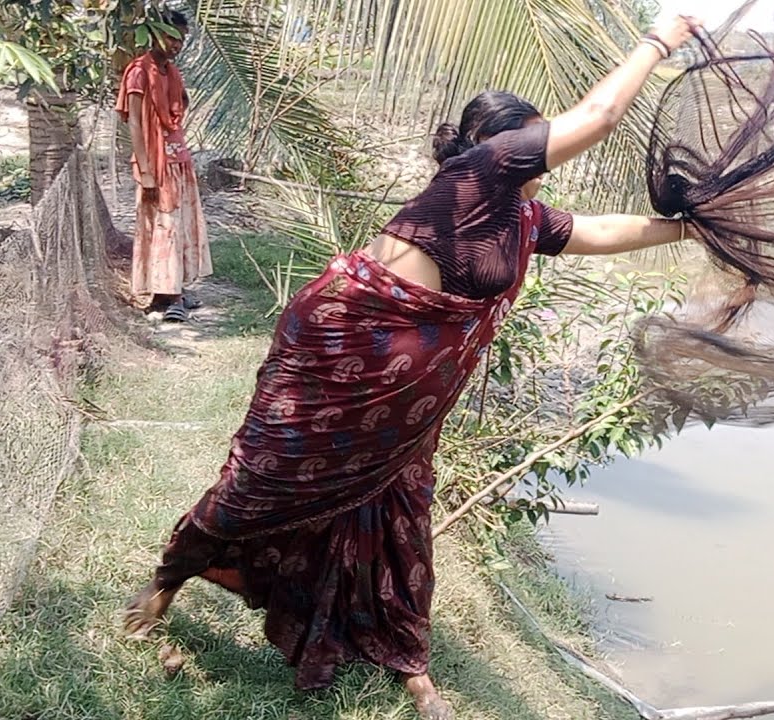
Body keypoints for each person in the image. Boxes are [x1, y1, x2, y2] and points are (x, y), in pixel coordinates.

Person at [122, 16, 698, 719]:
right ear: (498, 146)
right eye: (529, 144)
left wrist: (690, 228)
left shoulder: (520, 216)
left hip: (407, 405)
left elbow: (601, 231)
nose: (536, 159)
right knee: (260, 484)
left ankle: (409, 660)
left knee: (400, 510)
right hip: (332, 365)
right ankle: (166, 583)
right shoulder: (475, 177)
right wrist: (659, 42)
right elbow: (602, 114)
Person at [115, 10, 211, 323]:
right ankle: (170, 297)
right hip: (156, 165)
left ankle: (171, 289)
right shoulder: (139, 72)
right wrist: (144, 170)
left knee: (178, 228)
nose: (176, 45)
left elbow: (176, 111)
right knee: (163, 227)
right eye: (171, 37)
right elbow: (136, 126)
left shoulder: (170, 71)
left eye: (181, 39)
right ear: (155, 33)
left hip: (178, 161)